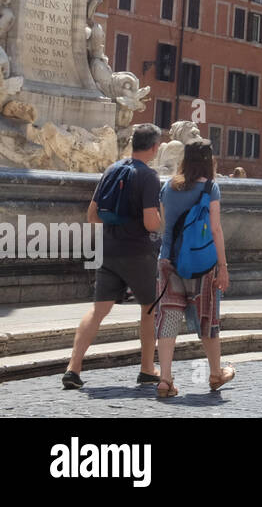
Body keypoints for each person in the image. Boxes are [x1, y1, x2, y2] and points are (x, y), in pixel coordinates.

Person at [64, 124, 166, 390]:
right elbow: (150, 222)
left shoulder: (111, 169)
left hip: (108, 250)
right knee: (149, 308)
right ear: (154, 148)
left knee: (99, 310)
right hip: (138, 253)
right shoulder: (149, 177)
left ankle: (73, 368)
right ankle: (146, 369)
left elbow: (92, 215)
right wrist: (162, 220)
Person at [153, 139, 234, 398]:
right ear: (210, 161)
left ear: (184, 160)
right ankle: (215, 373)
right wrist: (223, 266)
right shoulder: (211, 188)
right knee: (207, 317)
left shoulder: (167, 187)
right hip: (203, 265)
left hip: (169, 260)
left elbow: (167, 225)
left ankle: (165, 379)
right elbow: (216, 229)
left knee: (169, 319)